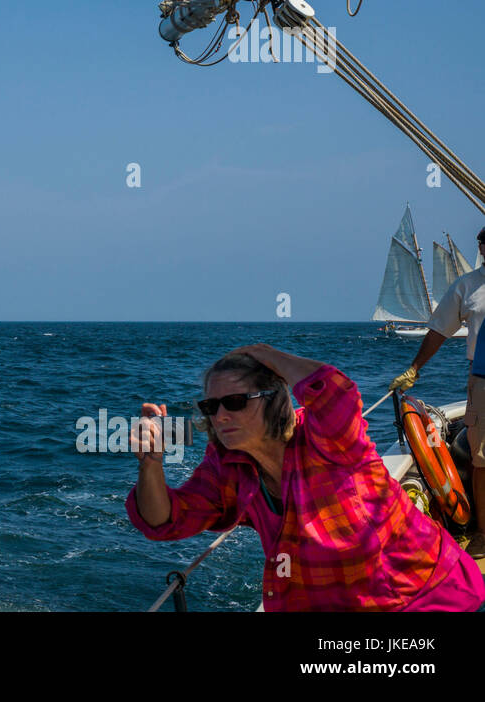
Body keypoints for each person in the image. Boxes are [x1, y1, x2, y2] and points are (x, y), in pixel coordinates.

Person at [128, 343, 485, 611]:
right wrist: (150, 464)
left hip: (424, 597)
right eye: (211, 406)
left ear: (273, 400)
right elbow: (167, 520)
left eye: (235, 401)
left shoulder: (327, 439)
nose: (220, 415)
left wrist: (266, 354)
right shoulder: (229, 464)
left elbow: (336, 393)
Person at [391, 225, 485, 524]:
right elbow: (439, 331)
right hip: (481, 381)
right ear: (481, 248)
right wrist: (414, 369)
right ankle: (484, 534)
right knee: (481, 460)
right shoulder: (466, 286)